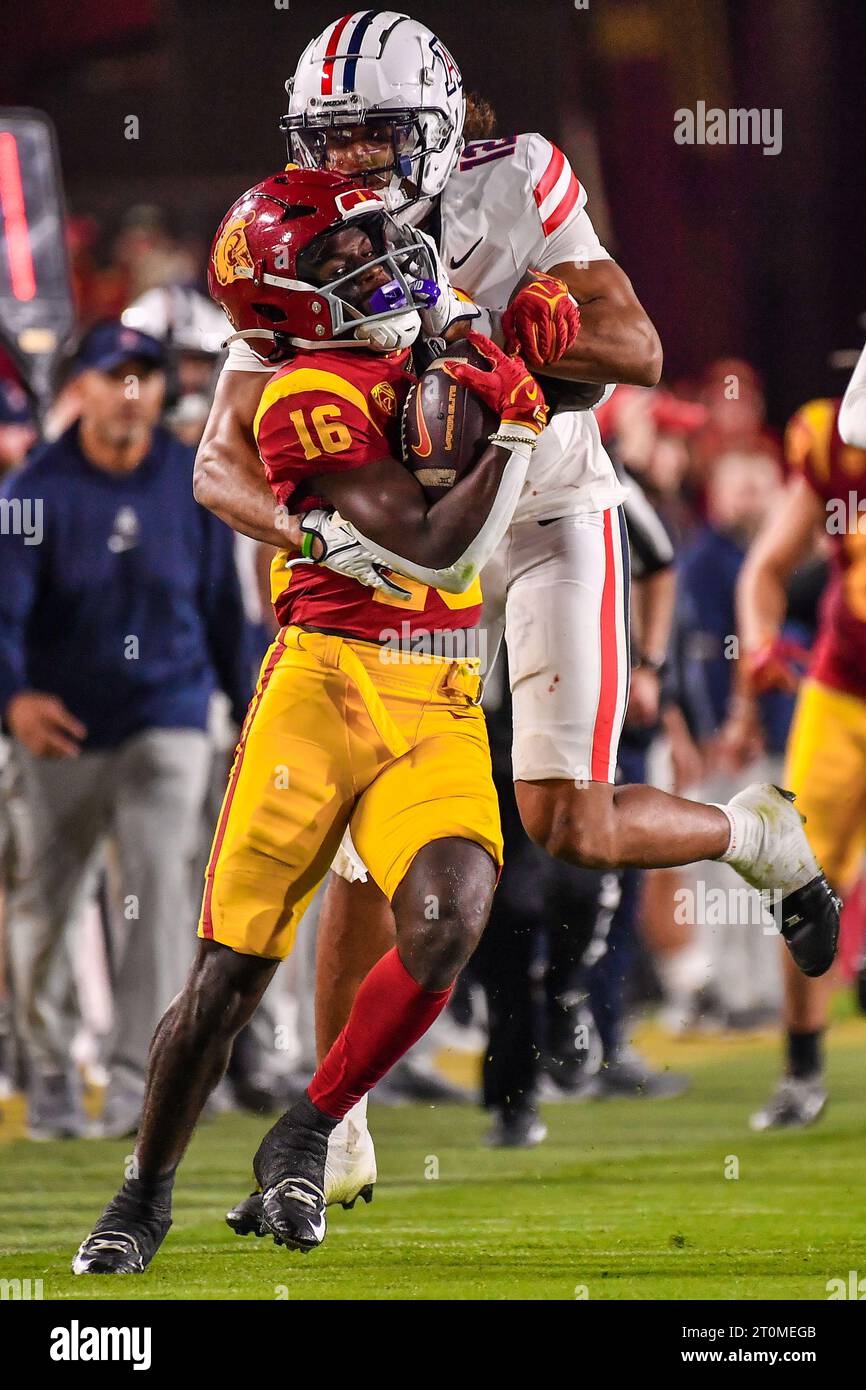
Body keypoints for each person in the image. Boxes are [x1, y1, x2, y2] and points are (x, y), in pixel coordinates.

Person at [194, 12, 839, 1230]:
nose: (352, 161)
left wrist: (549, 332)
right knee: (360, 842)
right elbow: (216, 460)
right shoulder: (296, 229)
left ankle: (751, 834)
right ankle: (334, 1127)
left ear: (436, 126)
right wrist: (312, 535)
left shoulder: (520, 179)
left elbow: (637, 345)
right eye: (332, 137)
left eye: (375, 133)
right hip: (408, 549)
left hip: (540, 512)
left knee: (567, 822)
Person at [71, 169, 548, 1272]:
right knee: (229, 976)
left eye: (369, 239)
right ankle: (143, 1194)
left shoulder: (426, 339)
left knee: (449, 917)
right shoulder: (304, 395)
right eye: (339, 257)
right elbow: (437, 551)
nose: (375, 258)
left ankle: (309, 1125)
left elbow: (557, 361)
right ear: (287, 300)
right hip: (324, 686)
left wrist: (542, 353)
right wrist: (518, 427)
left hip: (438, 685)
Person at [0, 320, 250, 1139]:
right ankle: (49, 1070)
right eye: (115, 377)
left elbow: (223, 609)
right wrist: (13, 701)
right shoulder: (32, 492)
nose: (132, 395)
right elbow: (3, 615)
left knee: (158, 894)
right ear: (81, 389)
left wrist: (248, 706)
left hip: (167, 716)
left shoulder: (194, 482)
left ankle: (139, 1078)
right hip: (62, 727)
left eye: (145, 377)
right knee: (46, 905)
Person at [731, 395, 866, 1128]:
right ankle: (802, 1070)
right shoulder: (831, 444)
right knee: (802, 877)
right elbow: (765, 569)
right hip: (841, 690)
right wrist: (758, 645)